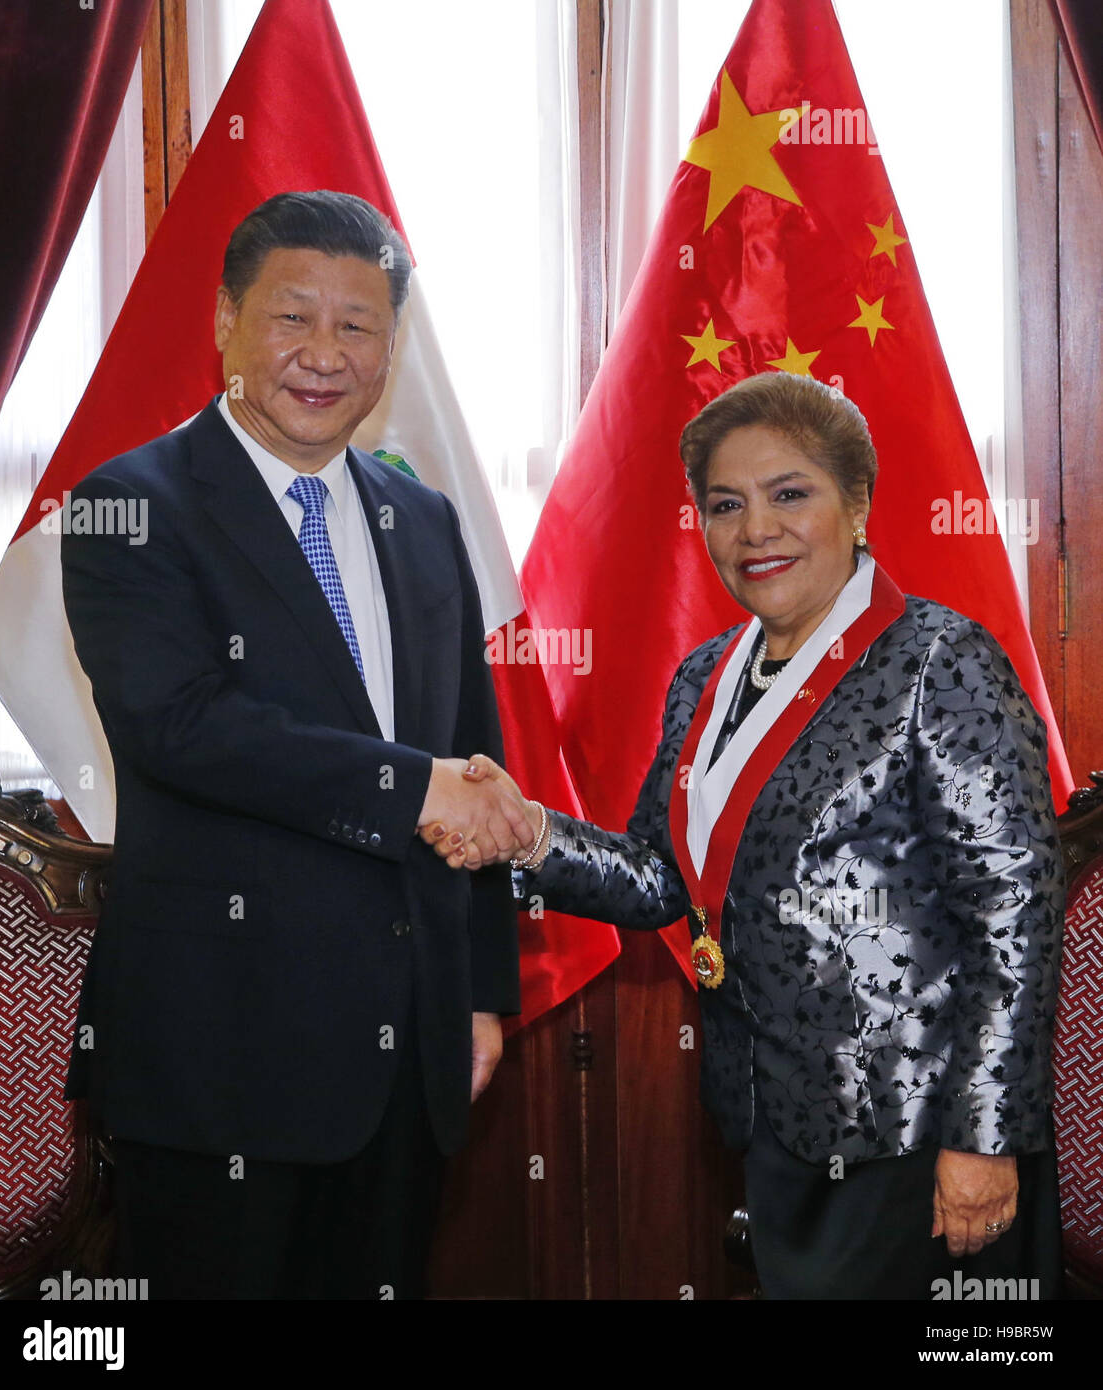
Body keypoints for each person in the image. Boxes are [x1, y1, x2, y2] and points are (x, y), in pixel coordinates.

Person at [423, 372, 1065, 1300]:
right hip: (767, 1121)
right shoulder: (706, 677)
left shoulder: (942, 661)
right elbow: (657, 879)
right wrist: (528, 835)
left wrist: (986, 1140)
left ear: (858, 504)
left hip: (917, 1144)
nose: (754, 528)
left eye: (789, 493)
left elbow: (1015, 916)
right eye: (726, 505)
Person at [61, 190, 529, 1300]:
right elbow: (183, 727)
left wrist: (476, 993)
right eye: (292, 317)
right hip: (218, 1052)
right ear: (226, 319)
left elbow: (471, 752)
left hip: (404, 1052)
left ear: (391, 345)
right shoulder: (125, 506)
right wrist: (412, 787)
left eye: (357, 325)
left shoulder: (420, 520)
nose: (324, 354)